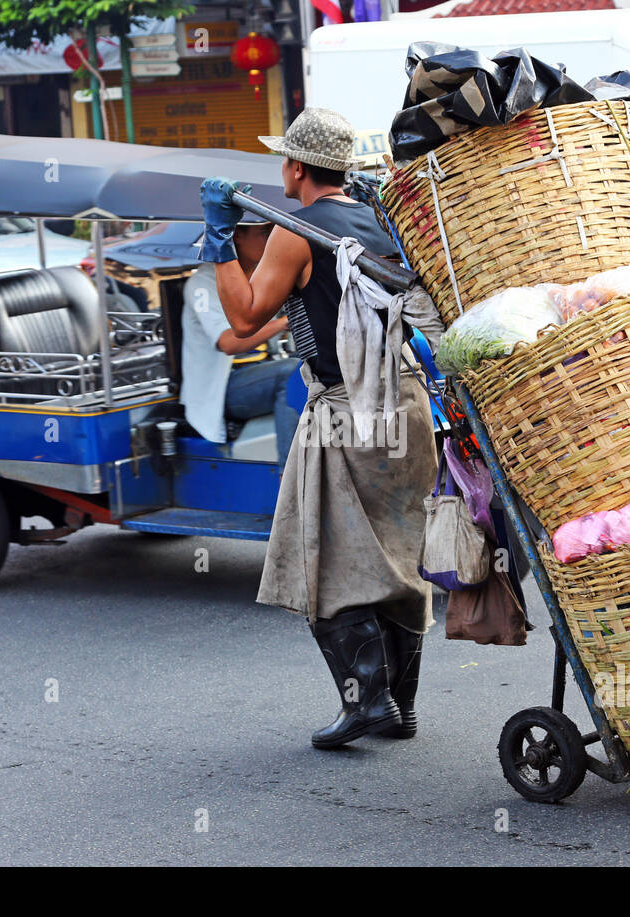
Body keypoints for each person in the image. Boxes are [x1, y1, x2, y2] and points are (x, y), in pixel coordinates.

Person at [201, 107, 436, 749]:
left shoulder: (293, 229)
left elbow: (245, 320)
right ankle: (399, 705)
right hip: (409, 411)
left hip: (346, 413)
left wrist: (218, 239)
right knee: (398, 560)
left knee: (325, 560)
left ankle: (368, 705)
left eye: (284, 159)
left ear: (298, 166)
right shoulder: (379, 222)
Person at [180, 222, 300, 470]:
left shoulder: (262, 277)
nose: (272, 239)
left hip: (261, 372)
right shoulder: (202, 283)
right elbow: (228, 343)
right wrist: (283, 323)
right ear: (237, 237)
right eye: (264, 233)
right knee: (291, 373)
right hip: (223, 389)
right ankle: (291, 476)